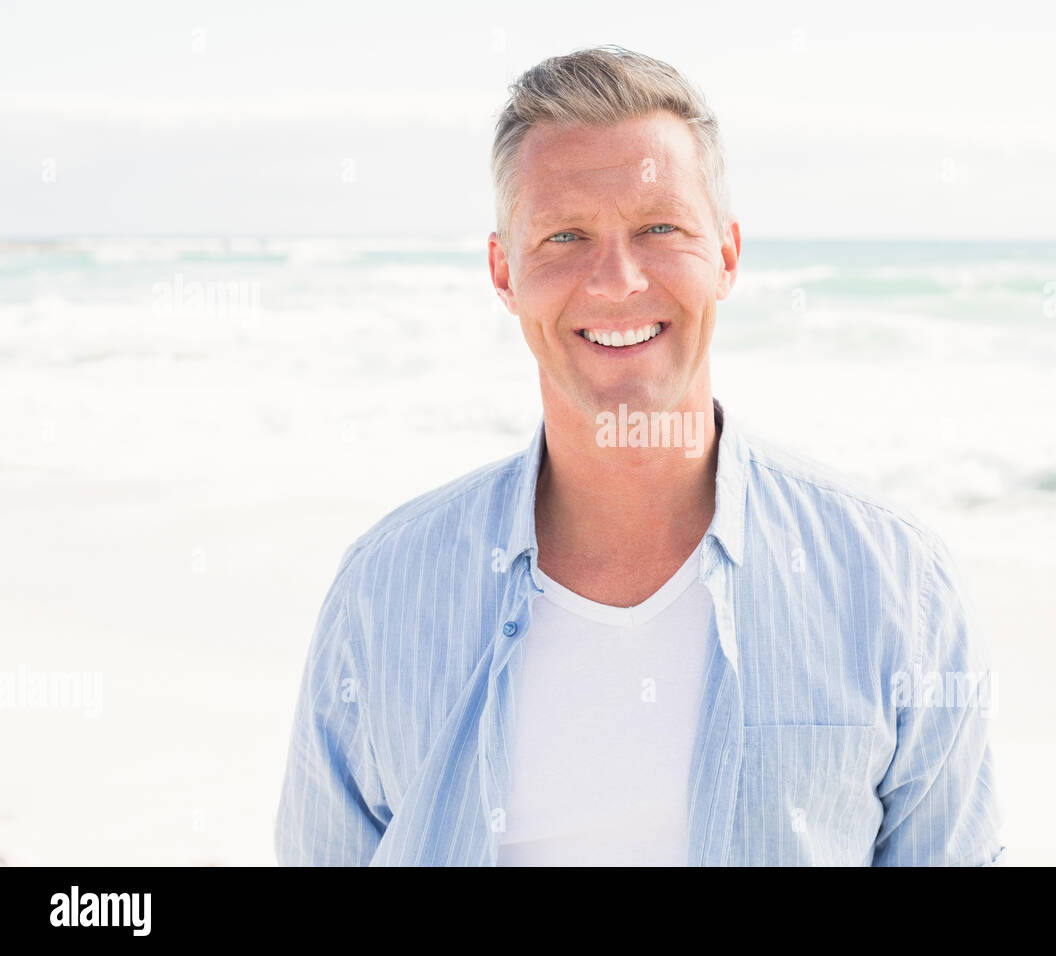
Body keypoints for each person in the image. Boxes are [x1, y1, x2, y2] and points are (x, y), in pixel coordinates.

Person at [274, 44, 1005, 866]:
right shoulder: (385, 591)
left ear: (725, 254)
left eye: (659, 228)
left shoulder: (893, 583)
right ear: (503, 271)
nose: (617, 280)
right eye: (564, 236)